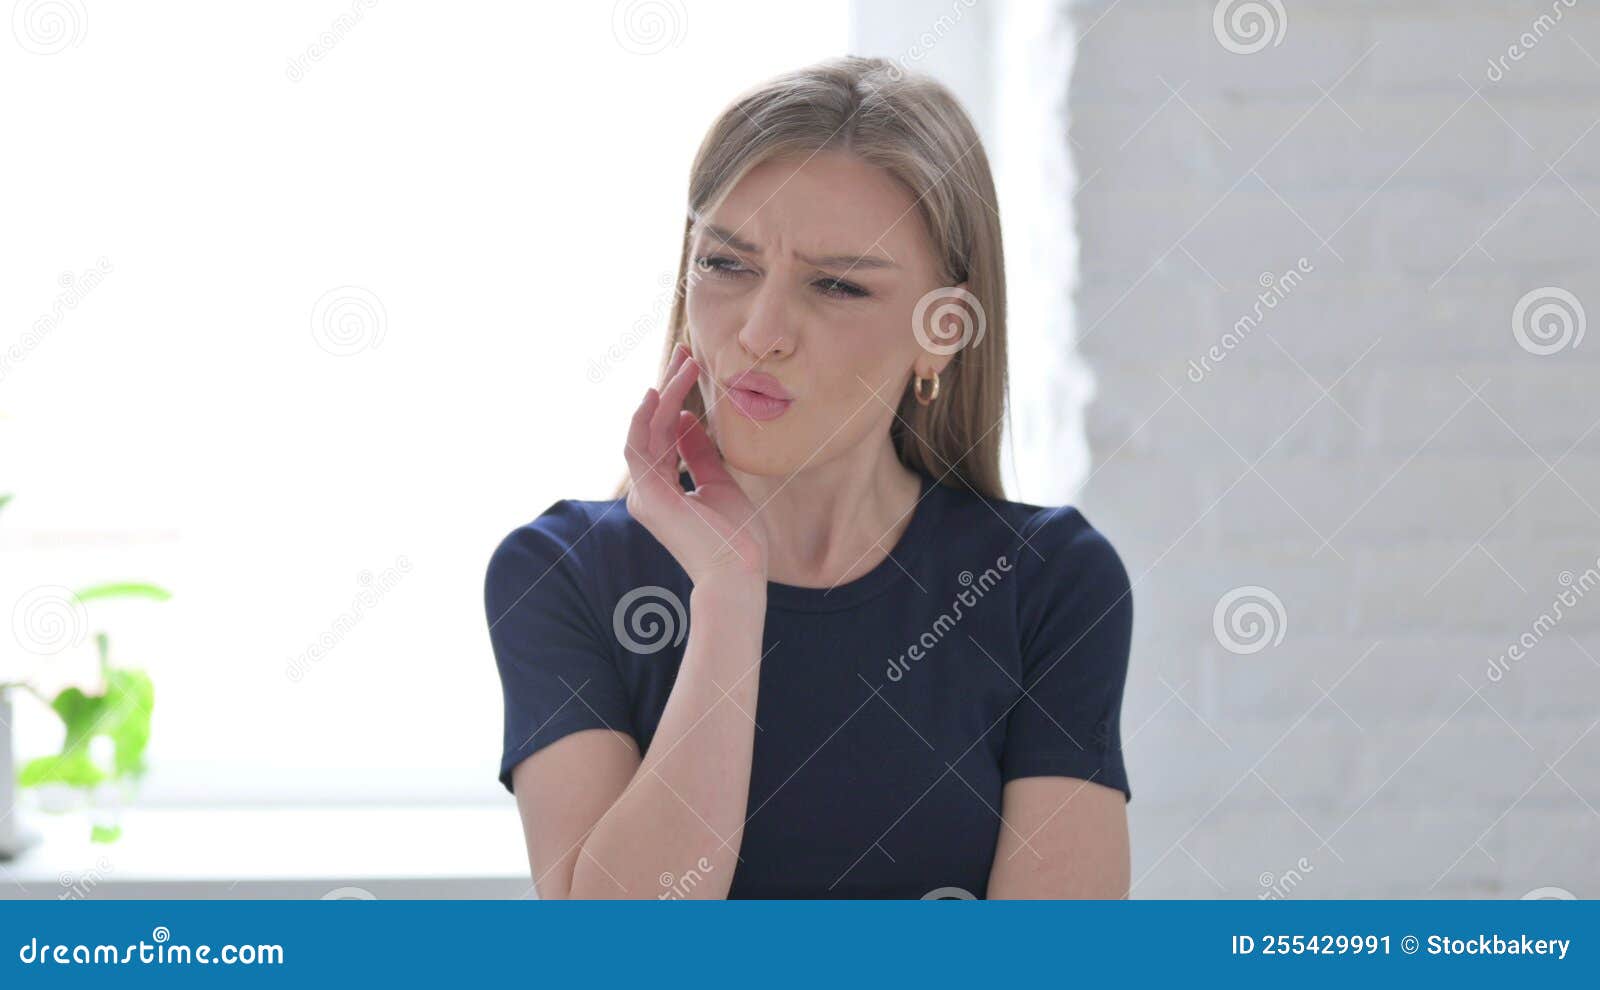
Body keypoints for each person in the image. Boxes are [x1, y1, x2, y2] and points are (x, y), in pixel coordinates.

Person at [485, 55, 1132, 899]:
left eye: (836, 284)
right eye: (726, 264)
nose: (760, 332)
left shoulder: (1048, 584)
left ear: (942, 329)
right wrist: (727, 595)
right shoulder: (561, 575)